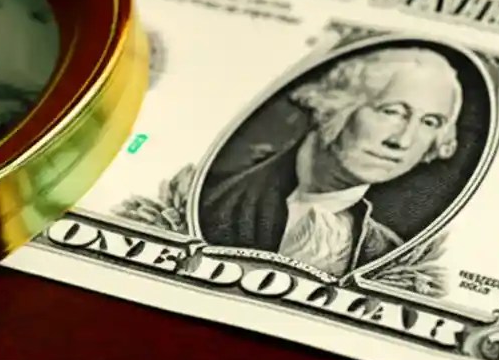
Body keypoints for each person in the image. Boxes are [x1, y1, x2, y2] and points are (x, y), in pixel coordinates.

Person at [198, 47, 463, 276]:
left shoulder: (388, 253)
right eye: (392, 112)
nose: (402, 141)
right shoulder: (213, 197)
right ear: (333, 105)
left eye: (430, 122)